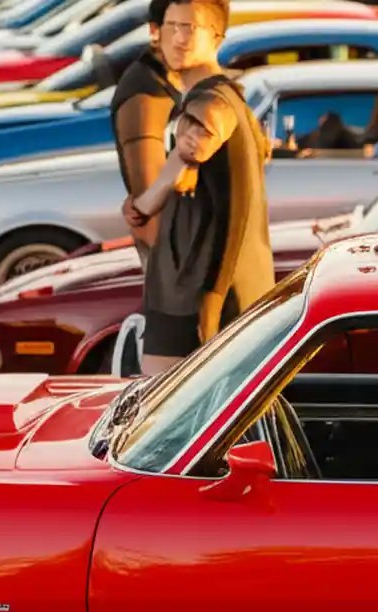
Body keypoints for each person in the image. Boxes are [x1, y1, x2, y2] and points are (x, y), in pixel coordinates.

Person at [123, 0, 273, 375]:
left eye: (191, 28)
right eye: (172, 25)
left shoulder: (213, 100)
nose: (179, 37)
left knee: (160, 417)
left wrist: (142, 205)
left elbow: (198, 140)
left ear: (217, 37)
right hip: (209, 291)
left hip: (194, 293)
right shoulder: (230, 98)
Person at [111, 0, 180, 268]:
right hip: (175, 267)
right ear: (155, 31)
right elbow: (148, 198)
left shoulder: (171, 80)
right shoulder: (145, 95)